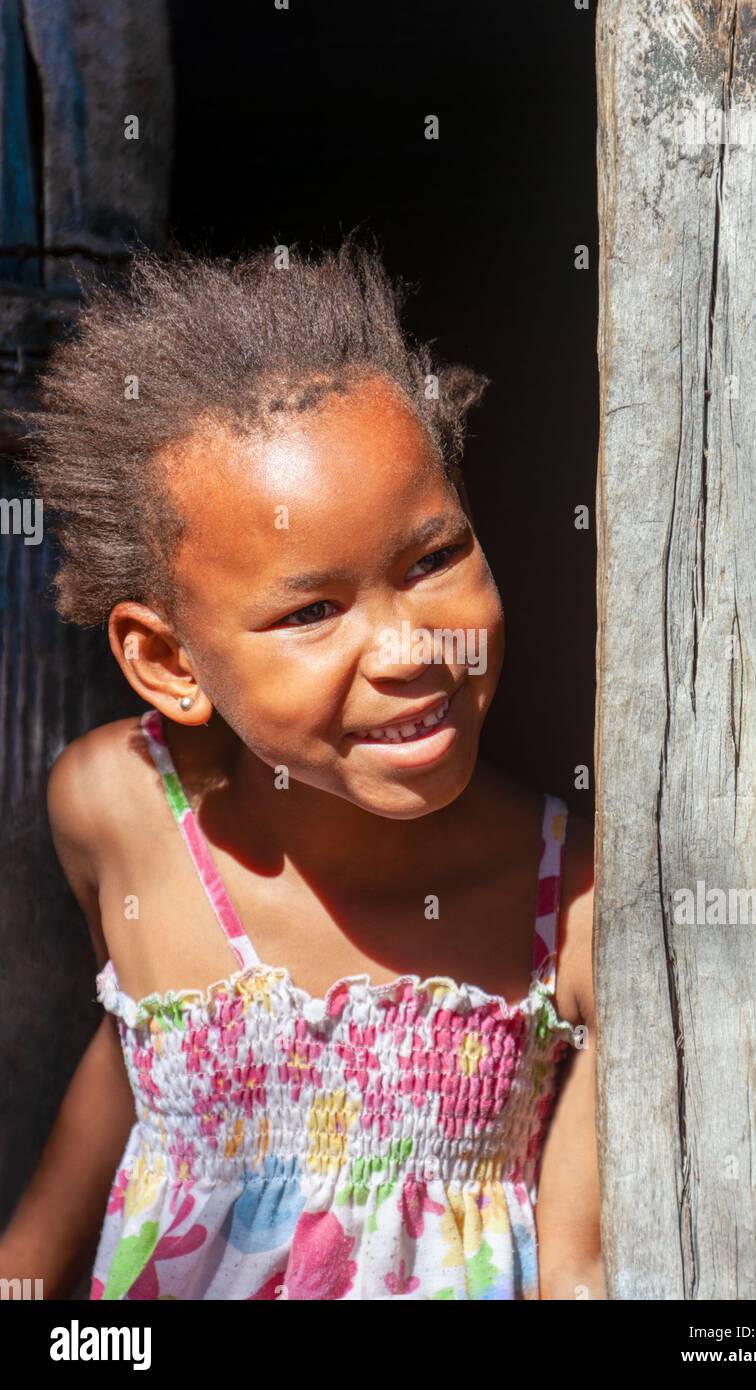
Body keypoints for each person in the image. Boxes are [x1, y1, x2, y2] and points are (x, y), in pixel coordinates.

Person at [0, 234, 602, 1300]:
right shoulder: (118, 812)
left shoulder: (577, 910)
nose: (411, 649)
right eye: (312, 610)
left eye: (432, 558)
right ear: (169, 661)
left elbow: (579, 1272)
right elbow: (134, 1056)